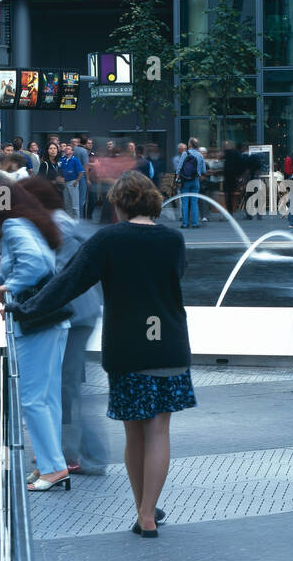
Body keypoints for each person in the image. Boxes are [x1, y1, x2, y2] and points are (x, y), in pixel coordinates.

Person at [16, 170, 195, 537]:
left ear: (118, 204)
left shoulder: (108, 240)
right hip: (171, 344)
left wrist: (28, 307)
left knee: (134, 433)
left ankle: (142, 513)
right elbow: (176, 277)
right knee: (160, 430)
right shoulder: (173, 240)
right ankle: (149, 513)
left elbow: (70, 282)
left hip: (128, 346)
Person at [0, 175, 70, 492]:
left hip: (37, 323)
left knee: (32, 399)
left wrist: (8, 286)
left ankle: (53, 468)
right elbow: (32, 263)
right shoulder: (25, 223)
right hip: (53, 320)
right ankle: (52, 463)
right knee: (47, 398)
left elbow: (36, 264)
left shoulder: (15, 226)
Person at [21, 176, 108, 478]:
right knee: (63, 386)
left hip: (76, 314)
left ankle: (82, 456)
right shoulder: (53, 222)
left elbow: (58, 272)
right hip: (74, 314)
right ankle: (68, 451)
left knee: (66, 387)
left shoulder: (57, 226)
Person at [178, 139, 206, 229]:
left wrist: (177, 178)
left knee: (185, 202)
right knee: (194, 202)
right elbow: (204, 170)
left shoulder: (184, 154)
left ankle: (185, 223)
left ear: (190, 144)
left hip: (185, 180)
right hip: (195, 180)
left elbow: (179, 168)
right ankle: (195, 223)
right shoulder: (200, 155)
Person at [58, 142, 85, 219]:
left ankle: (77, 222)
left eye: (69, 149)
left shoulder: (75, 160)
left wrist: (77, 181)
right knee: (67, 204)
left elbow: (81, 172)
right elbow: (59, 169)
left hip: (72, 182)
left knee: (75, 204)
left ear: (72, 151)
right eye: (66, 149)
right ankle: (69, 220)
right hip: (65, 183)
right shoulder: (62, 159)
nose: (66, 150)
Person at [221, 140, 244, 215]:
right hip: (234, 177)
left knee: (227, 195)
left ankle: (229, 211)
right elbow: (241, 164)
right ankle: (231, 210)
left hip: (228, 177)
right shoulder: (237, 154)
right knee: (232, 194)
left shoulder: (227, 154)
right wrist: (239, 175)